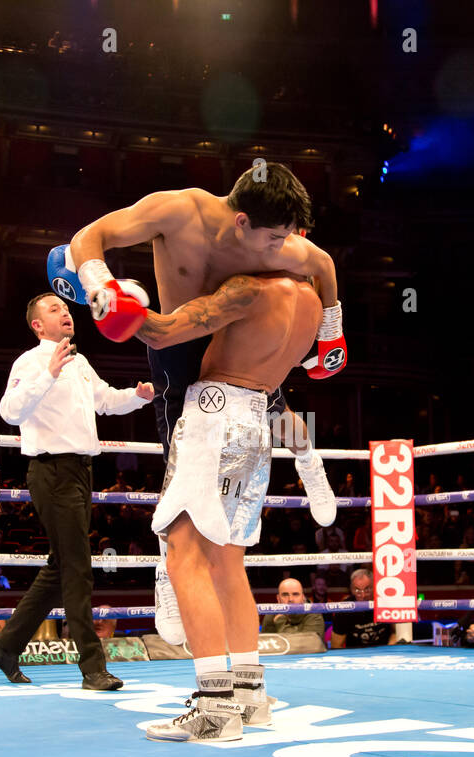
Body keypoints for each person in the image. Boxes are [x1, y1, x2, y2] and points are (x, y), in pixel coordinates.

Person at [57, 164, 344, 651]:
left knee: (278, 412)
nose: (283, 247)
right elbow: (90, 235)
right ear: (242, 221)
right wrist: (101, 288)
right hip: (178, 341)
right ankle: (169, 573)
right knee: (178, 460)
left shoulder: (282, 244)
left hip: (237, 340)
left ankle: (310, 465)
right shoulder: (178, 210)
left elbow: (325, 266)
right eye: (275, 237)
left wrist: (331, 331)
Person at [92, 272, 321, 741]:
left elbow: (159, 331)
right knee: (227, 564)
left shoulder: (235, 293)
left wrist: (105, 298)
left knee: (184, 557)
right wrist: (310, 465)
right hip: (253, 428)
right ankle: (250, 695)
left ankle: (215, 709)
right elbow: (285, 411)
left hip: (210, 424)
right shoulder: (303, 299)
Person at [0, 292, 152, 690]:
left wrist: (137, 397)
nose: (65, 312)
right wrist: (48, 373)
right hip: (52, 471)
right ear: (37, 325)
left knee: (61, 567)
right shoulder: (30, 362)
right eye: (54, 309)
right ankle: (93, 667)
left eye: (65, 308)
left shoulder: (79, 361)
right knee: (77, 569)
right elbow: (9, 411)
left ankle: (6, 647)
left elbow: (106, 401)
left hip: (81, 471)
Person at [330, 569, 405, 648]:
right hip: (355, 653)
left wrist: (388, 651)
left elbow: (396, 632)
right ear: (351, 589)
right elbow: (336, 645)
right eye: (357, 590)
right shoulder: (345, 609)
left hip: (384, 651)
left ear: (375, 587)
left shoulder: (386, 602)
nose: (363, 595)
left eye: (367, 589)